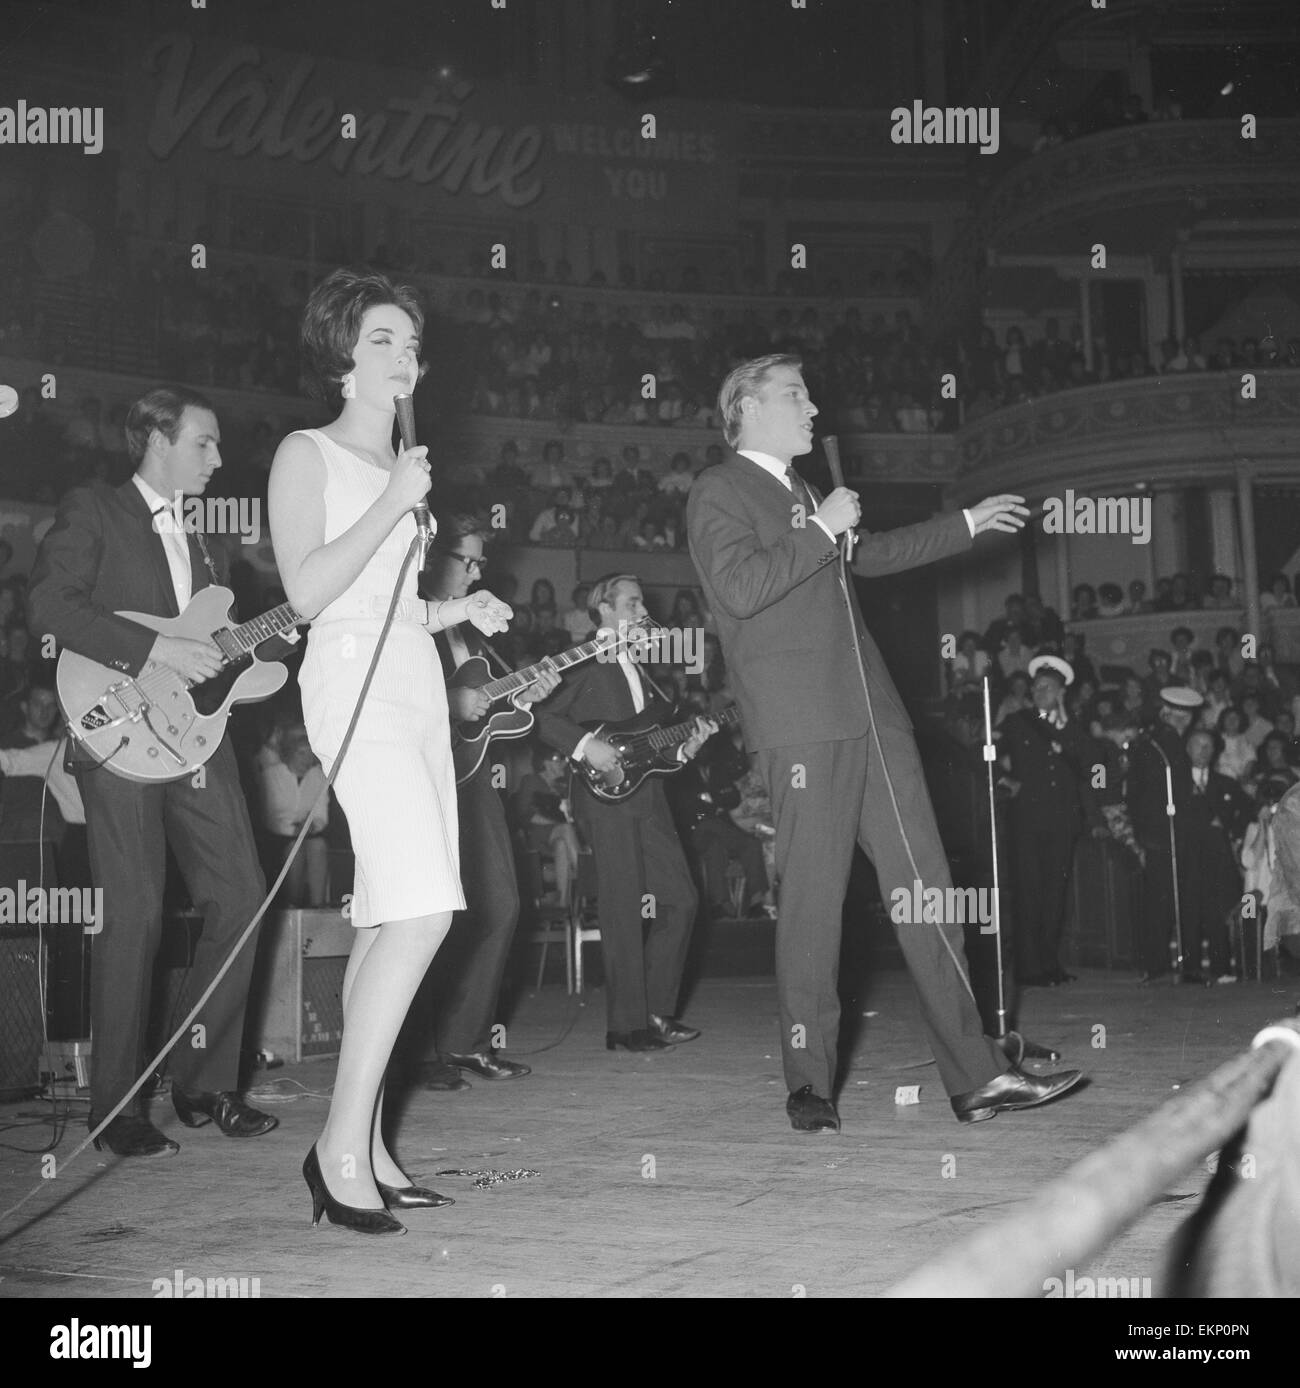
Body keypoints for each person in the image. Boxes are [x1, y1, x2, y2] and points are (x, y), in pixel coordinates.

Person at [686, 354, 1082, 1132]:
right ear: (748, 408)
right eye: (795, 394)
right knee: (813, 904)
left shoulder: (806, 494)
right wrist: (820, 528)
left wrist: (965, 524)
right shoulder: (720, 489)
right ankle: (809, 1081)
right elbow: (738, 590)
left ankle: (977, 1077)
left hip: (876, 716)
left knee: (926, 888)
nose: (811, 406)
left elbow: (876, 554)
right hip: (802, 723)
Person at [268, 267, 512, 1233]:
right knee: (422, 912)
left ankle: (364, 1145)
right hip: (349, 687)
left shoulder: (400, 466)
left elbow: (395, 605)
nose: (403, 356)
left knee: (385, 917)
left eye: (410, 342)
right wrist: (393, 504)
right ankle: (335, 1148)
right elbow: (308, 596)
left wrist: (457, 605)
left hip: (413, 683)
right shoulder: (307, 455)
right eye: (381, 339)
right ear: (340, 356)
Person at [28, 384, 279, 1158]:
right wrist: (154, 651)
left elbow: (223, 650)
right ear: (155, 439)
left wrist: (282, 634)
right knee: (134, 914)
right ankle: (117, 1108)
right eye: (204, 442)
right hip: (121, 733)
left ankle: (203, 1081)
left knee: (241, 898)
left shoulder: (208, 543)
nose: (219, 457)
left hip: (198, 742)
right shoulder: (93, 508)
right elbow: (48, 607)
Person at [536, 573, 714, 1051]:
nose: (642, 613)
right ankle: (626, 1026)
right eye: (632, 604)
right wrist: (584, 745)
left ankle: (655, 1012)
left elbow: (650, 746)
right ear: (605, 610)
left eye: (642, 604)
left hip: (649, 795)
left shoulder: (644, 670)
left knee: (681, 899)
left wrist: (684, 750)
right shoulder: (584, 660)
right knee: (623, 905)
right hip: (603, 796)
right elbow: (541, 717)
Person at [412, 512, 559, 1088]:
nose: (476, 572)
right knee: (425, 915)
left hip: (473, 779)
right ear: (433, 556)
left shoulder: (474, 626)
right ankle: (416, 1054)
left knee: (500, 905)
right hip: (421, 776)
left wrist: (528, 692)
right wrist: (451, 702)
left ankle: (467, 1042)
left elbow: (492, 710)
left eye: (480, 561)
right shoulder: (405, 613)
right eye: (465, 560)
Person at [997, 655, 1104, 987]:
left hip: (1062, 822)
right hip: (1027, 821)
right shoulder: (1018, 722)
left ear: (1061, 692)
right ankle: (1029, 969)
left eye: (1048, 687)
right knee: (1029, 892)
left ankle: (1049, 965)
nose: (1040, 692)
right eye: (1036, 687)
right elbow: (984, 754)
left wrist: (1066, 721)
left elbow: (1090, 766)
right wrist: (1004, 780)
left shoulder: (1074, 729)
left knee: (1055, 895)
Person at [1126, 686, 1203, 982]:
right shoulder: (1156, 745)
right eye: (1177, 717)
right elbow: (1136, 793)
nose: (1182, 723)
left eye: (1187, 718)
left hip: (1178, 832)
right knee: (1162, 899)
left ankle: (1176, 964)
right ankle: (1160, 965)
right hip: (1163, 832)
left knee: (1180, 898)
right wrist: (1148, 830)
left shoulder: (1174, 744)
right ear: (1165, 714)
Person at [1182, 728, 1252, 983]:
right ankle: (1190, 970)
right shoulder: (1177, 783)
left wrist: (1230, 830)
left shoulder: (1225, 783)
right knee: (1189, 912)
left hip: (1216, 858)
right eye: (1198, 745)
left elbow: (1247, 809)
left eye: (1208, 746)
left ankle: (1221, 968)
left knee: (1216, 912)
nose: (1204, 751)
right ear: (1187, 748)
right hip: (1187, 857)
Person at [257, 720, 330, 907]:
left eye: (310, 754)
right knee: (294, 849)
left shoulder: (318, 776)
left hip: (308, 834)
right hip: (278, 837)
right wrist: (293, 829)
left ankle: (317, 908)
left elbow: (321, 813)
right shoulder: (272, 775)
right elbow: (269, 817)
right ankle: (292, 905)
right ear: (289, 752)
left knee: (318, 845)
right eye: (301, 753)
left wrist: (313, 825)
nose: (307, 759)